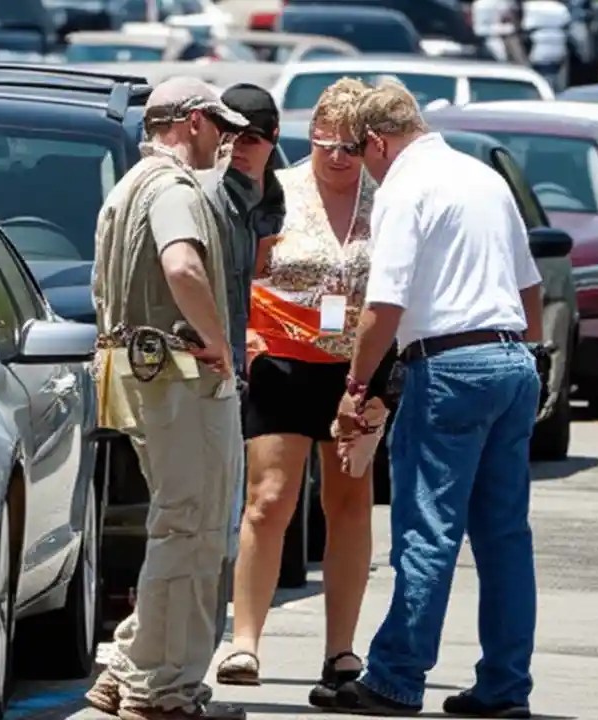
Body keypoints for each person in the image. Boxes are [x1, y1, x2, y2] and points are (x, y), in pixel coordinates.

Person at [331, 78, 543, 718]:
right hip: (511, 359)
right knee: (505, 536)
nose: (364, 169)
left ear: (378, 141)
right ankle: (505, 686)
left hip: (449, 368)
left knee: (427, 531)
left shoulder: (405, 186)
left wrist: (356, 386)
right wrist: (523, 353)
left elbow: (384, 305)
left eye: (360, 152)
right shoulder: (482, 177)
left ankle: (396, 676)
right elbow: (530, 288)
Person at [213, 77, 393, 708]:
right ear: (307, 139)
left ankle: (341, 648)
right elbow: (240, 269)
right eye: (324, 144)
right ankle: (244, 642)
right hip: (282, 361)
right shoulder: (278, 193)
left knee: (349, 504)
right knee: (269, 500)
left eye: (350, 146)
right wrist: (242, 334)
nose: (338, 158)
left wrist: (382, 380)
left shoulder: (387, 200)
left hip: (357, 370)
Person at [86, 75, 251, 720]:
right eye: (220, 125)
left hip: (137, 372)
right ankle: (164, 690)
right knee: (193, 529)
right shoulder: (174, 187)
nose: (226, 140)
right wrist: (218, 344)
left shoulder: (127, 184)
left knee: (177, 524)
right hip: (179, 375)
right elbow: (182, 265)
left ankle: (130, 666)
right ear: (190, 122)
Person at [200, 83, 285, 581]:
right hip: (222, 357)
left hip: (278, 357)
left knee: (266, 491)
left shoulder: (290, 200)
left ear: (273, 137)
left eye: (251, 136)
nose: (240, 146)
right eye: (229, 134)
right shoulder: (208, 196)